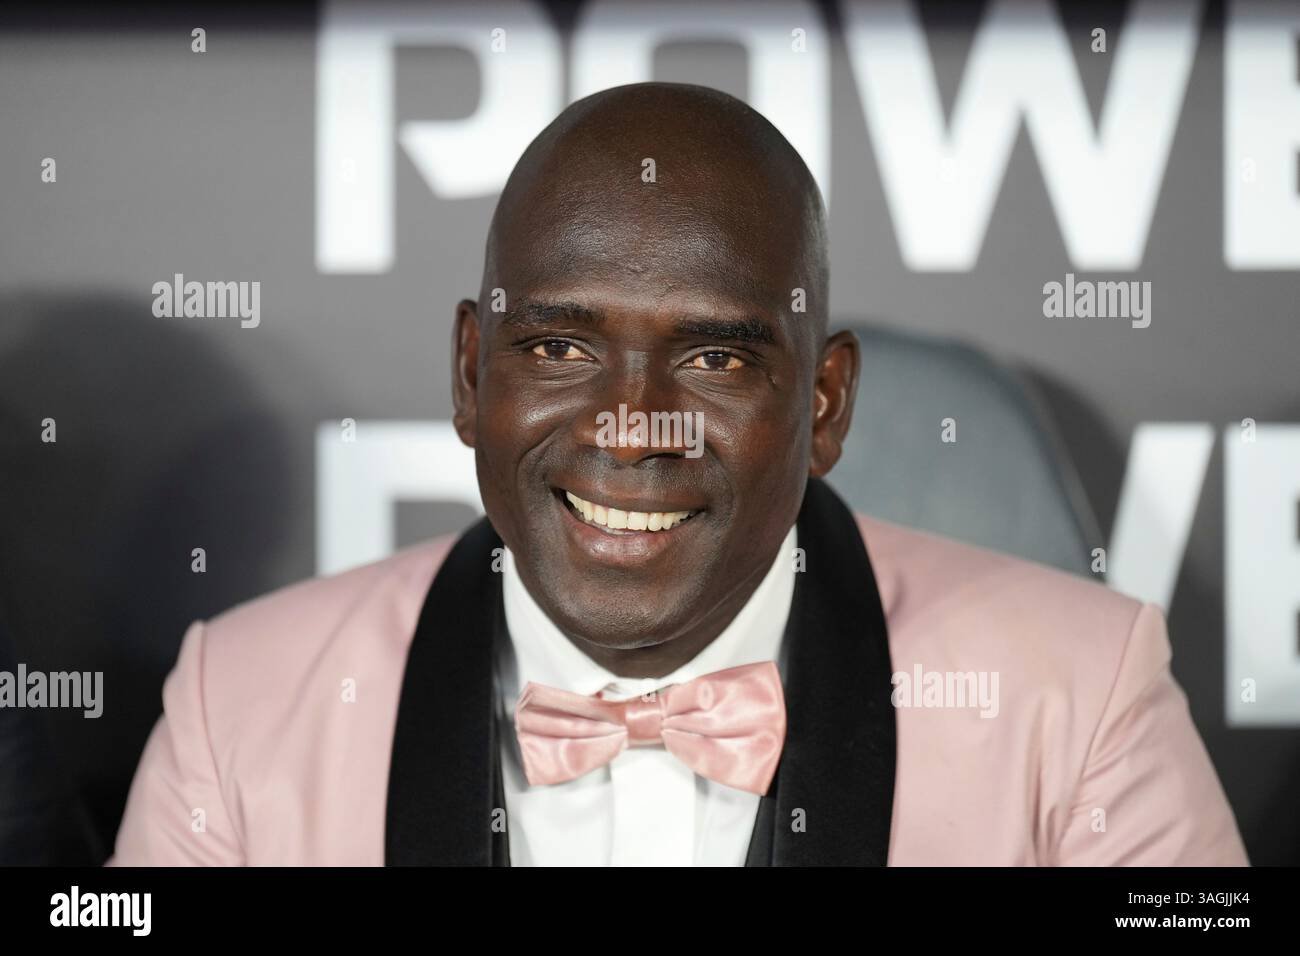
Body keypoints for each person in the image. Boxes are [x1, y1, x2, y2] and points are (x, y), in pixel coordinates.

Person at [109, 83, 1247, 866]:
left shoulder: (1087, 693)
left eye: (713, 357)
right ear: (469, 374)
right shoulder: (236, 708)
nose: (634, 422)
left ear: (824, 403)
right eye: (557, 348)